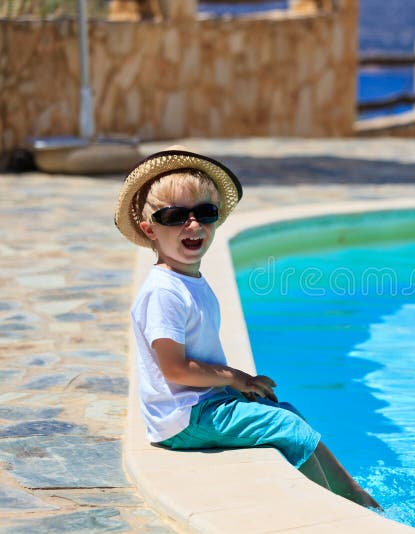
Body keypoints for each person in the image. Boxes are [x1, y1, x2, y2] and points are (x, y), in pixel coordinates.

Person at [114, 146, 380, 509]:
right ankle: (337, 509)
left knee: (286, 412)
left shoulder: (187, 278)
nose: (193, 225)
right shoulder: (164, 292)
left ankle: (356, 497)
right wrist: (235, 378)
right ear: (150, 231)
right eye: (175, 216)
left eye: (204, 213)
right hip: (183, 419)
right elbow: (174, 368)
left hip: (199, 404)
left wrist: (235, 382)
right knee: (291, 431)